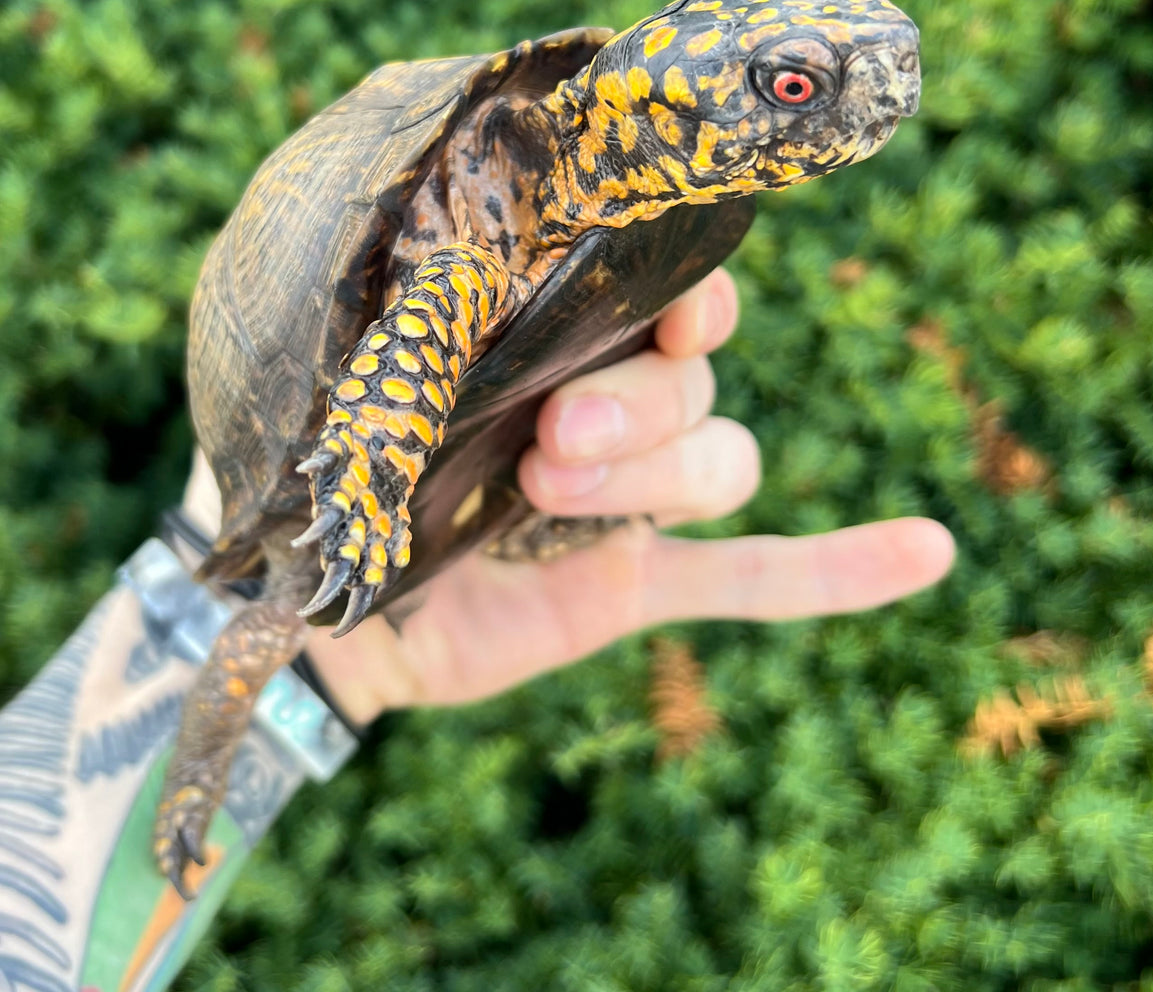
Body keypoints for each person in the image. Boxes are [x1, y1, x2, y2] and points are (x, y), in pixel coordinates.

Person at [0, 270, 955, 990]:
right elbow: (250, 646)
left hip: (450, 432)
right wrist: (196, 783)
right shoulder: (306, 586)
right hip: (408, 528)